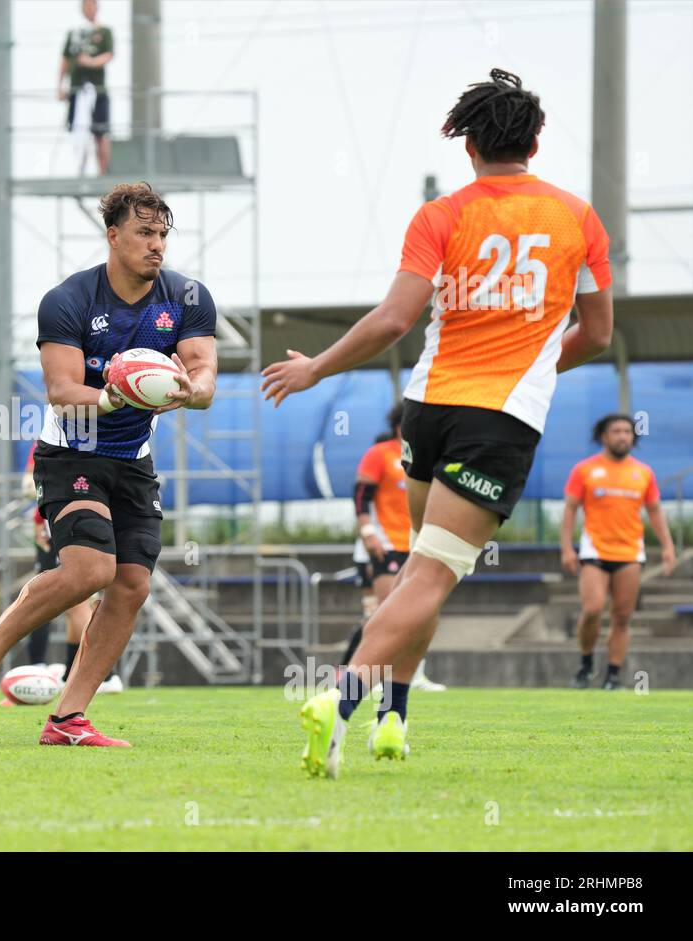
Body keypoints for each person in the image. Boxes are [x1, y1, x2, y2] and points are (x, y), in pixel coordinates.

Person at [263, 69, 613, 778]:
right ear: (536, 142)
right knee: (428, 575)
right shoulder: (579, 218)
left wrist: (316, 368)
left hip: (426, 411)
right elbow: (598, 334)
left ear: (470, 145)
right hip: (500, 419)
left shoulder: (440, 215)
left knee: (426, 567)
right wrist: (534, 368)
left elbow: (394, 319)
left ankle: (396, 720)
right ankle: (343, 696)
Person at [0, 181, 217, 746]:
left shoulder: (188, 297)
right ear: (113, 235)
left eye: (162, 234)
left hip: (134, 460)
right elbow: (61, 388)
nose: (157, 246)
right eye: (144, 233)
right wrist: (115, 395)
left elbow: (205, 377)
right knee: (89, 571)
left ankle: (68, 718)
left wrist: (185, 389)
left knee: (132, 585)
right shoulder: (69, 300)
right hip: (71, 451)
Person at [561, 413, 676, 690]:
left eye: (627, 431)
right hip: (595, 551)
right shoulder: (585, 470)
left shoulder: (643, 472)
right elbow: (570, 509)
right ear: (604, 436)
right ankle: (587, 663)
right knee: (592, 608)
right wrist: (566, 548)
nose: (623, 436)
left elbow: (655, 511)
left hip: (630, 553)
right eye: (617, 431)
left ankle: (612, 676)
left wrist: (668, 546)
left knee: (622, 617)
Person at [339, 407, 445, 692]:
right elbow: (361, 495)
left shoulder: (426, 455)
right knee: (387, 612)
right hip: (386, 546)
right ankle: (367, 677)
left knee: (420, 612)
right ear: (401, 425)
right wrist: (367, 532)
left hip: (417, 543)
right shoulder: (380, 453)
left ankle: (414, 675)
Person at [11, 442, 120, 697]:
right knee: (69, 602)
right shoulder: (53, 437)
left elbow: (60, 482)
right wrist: (38, 520)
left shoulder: (89, 437)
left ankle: (100, 674)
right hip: (58, 523)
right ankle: (76, 671)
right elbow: (38, 481)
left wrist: (39, 518)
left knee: (76, 603)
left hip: (74, 522)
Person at [58, 0, 114, 175]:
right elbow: (65, 60)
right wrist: (60, 85)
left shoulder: (104, 32)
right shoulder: (74, 33)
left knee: (100, 132)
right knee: (77, 130)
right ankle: (79, 169)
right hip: (76, 89)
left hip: (97, 90)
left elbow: (108, 55)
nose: (89, 9)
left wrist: (90, 62)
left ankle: (102, 171)